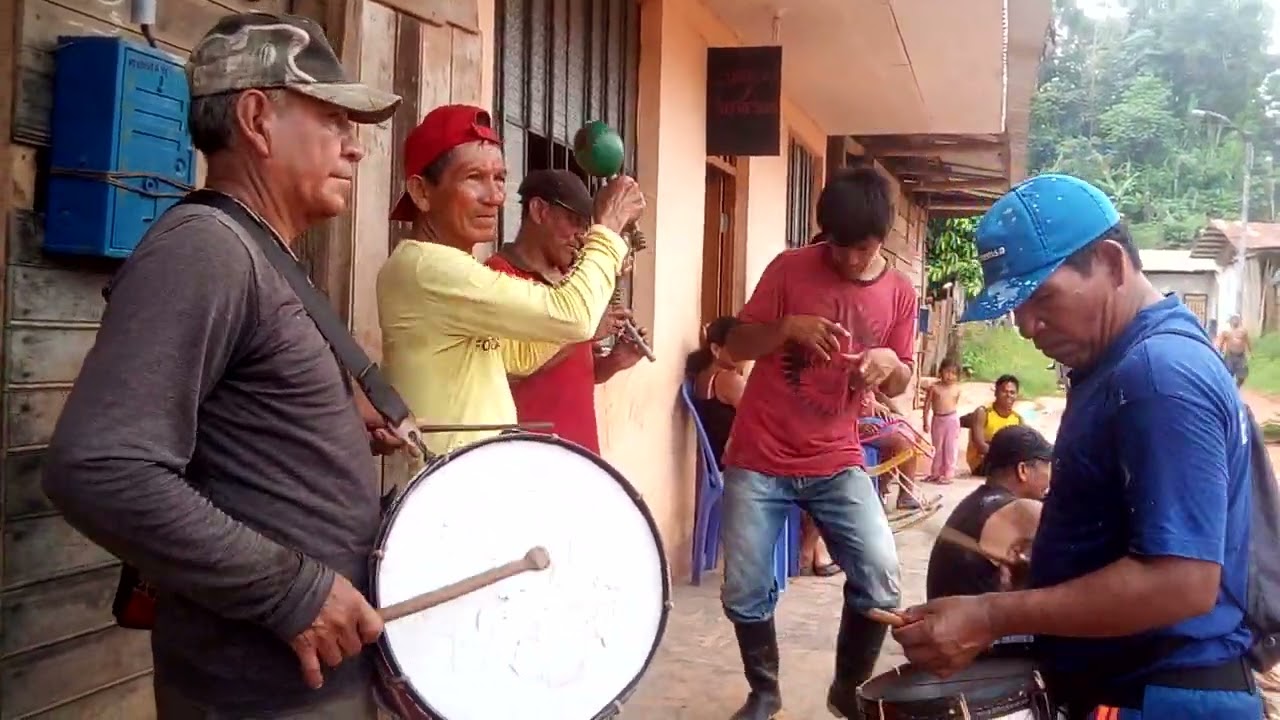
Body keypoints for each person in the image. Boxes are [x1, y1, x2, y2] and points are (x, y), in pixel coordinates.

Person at [41, 13, 409, 717]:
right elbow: (98, 468)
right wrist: (294, 590)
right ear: (257, 119)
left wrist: (332, 415)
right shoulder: (203, 251)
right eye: (333, 118)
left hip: (318, 684)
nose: (354, 148)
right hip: (257, 694)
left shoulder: (258, 250)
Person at [893, 174, 1262, 719]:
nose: (1025, 325)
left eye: (1041, 296)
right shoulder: (1116, 363)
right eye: (1014, 306)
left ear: (1112, 264)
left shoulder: (1159, 375)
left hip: (1164, 696)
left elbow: (1183, 582)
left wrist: (994, 614)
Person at [719, 167, 918, 719]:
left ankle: (845, 689)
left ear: (882, 240)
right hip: (759, 456)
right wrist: (785, 328)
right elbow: (733, 345)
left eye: (860, 247)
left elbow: (905, 379)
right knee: (745, 587)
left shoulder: (900, 294)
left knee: (880, 578)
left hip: (836, 459)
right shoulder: (789, 269)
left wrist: (890, 366)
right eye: (836, 244)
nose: (847, 259)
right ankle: (764, 692)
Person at [376, 105, 645, 455]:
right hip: (456, 486)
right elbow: (572, 316)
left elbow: (517, 356)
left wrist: (593, 286)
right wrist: (606, 230)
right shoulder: (427, 266)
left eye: (500, 179)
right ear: (422, 192)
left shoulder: (450, 269)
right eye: (474, 178)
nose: (495, 197)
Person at [484, 169, 649, 453]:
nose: (580, 238)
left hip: (581, 451)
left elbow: (581, 372)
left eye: (586, 228)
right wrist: (583, 331)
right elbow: (510, 370)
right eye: (574, 222)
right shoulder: (499, 275)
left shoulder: (572, 280)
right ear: (539, 211)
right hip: (530, 451)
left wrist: (615, 361)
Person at [926, 424, 1052, 600]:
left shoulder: (973, 503)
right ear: (1023, 470)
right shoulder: (1021, 511)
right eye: (1047, 465)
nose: (1050, 476)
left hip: (949, 618)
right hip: (971, 624)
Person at [965, 374, 1023, 475]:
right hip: (982, 462)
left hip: (1003, 460)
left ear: (1017, 395)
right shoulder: (983, 413)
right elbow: (980, 445)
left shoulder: (1017, 419)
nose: (1008, 395)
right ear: (996, 392)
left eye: (1012, 392)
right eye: (1004, 391)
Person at [922, 358, 964, 484]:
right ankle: (935, 473)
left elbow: (954, 403)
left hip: (951, 419)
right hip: (938, 419)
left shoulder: (957, 389)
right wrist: (925, 421)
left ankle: (948, 474)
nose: (950, 376)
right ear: (941, 372)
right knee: (937, 447)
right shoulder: (934, 388)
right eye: (947, 372)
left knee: (950, 447)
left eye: (953, 373)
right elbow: (927, 406)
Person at [1217, 314, 1252, 388]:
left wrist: (1250, 352)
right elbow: (1221, 343)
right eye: (1233, 320)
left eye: (1236, 320)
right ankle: (1228, 389)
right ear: (1230, 322)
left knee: (1242, 376)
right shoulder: (1226, 332)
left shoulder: (1243, 331)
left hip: (1241, 356)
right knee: (1228, 374)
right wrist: (1218, 353)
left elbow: (1247, 341)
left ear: (1239, 321)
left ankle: (1236, 387)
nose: (1235, 322)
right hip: (1230, 356)